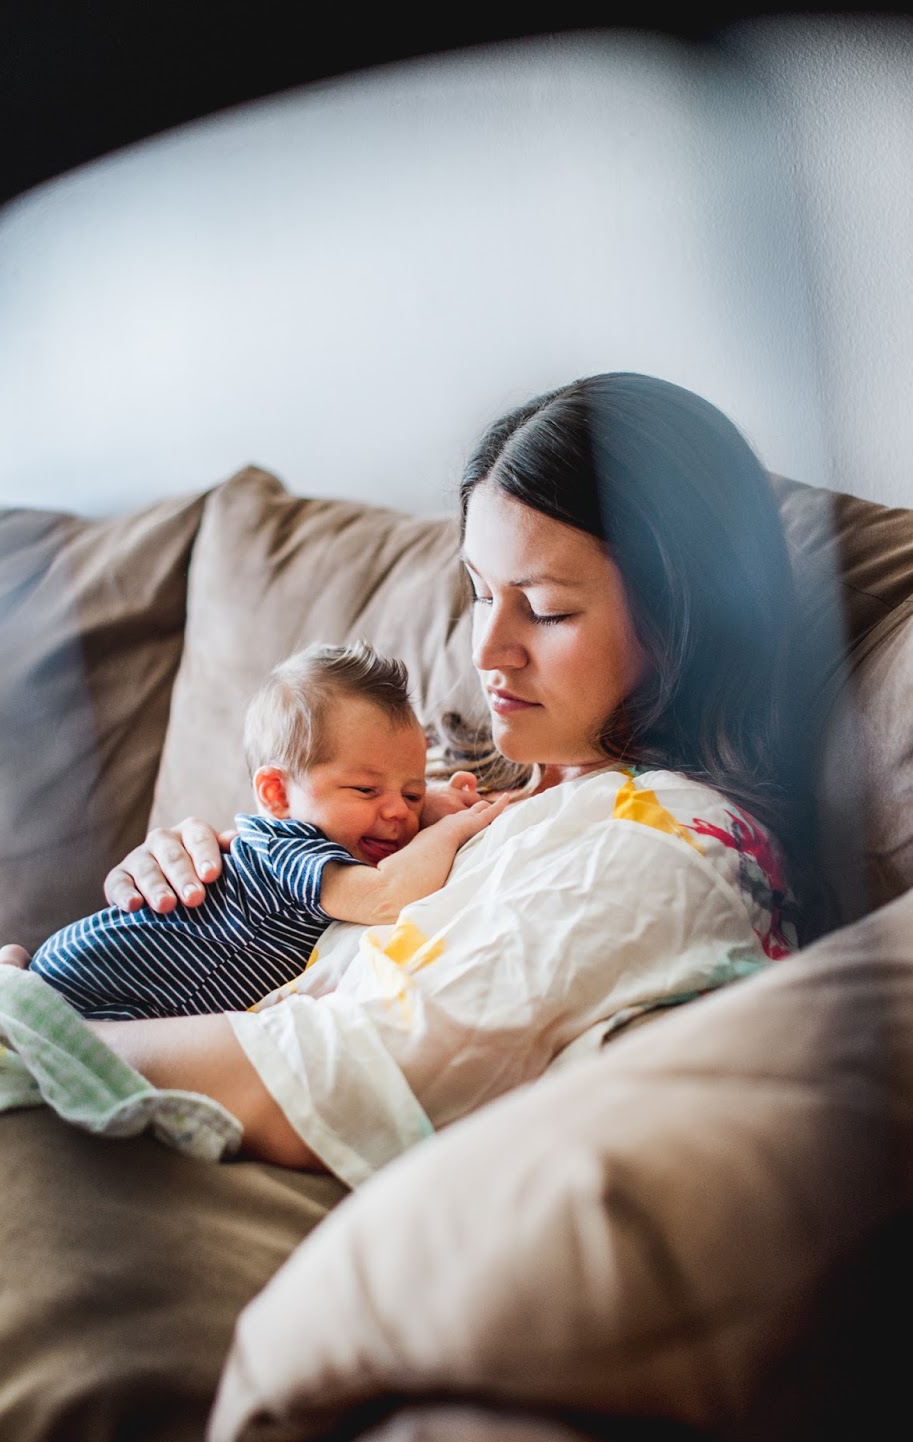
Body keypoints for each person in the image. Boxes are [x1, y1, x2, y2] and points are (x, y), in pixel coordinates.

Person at [52, 372, 813, 1188]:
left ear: (686, 623)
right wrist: (206, 869)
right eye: (480, 593)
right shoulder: (454, 802)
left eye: (547, 608)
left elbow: (337, 1081)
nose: (486, 650)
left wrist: (29, 1029)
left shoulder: (667, 848)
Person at [15, 642, 504, 1018]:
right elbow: (383, 897)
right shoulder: (286, 848)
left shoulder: (328, 840)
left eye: (412, 794)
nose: (400, 814)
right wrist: (459, 826)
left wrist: (431, 803)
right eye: (364, 790)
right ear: (276, 795)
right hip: (94, 989)